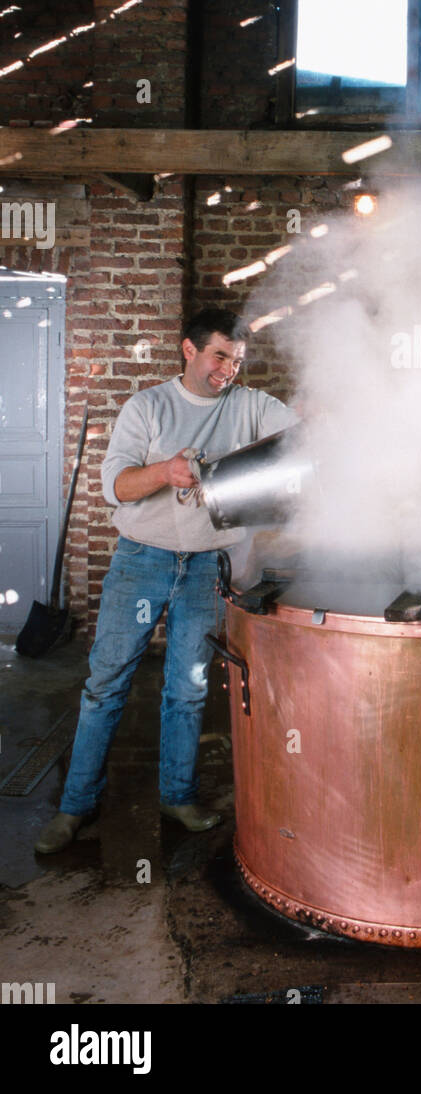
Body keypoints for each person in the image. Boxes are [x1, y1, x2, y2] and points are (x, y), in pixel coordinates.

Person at [35, 307, 298, 854]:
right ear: (189, 350)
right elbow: (115, 487)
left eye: (238, 360)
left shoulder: (251, 406)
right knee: (106, 685)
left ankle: (177, 796)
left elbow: (304, 442)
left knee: (189, 688)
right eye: (220, 356)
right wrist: (164, 472)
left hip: (209, 566)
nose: (229, 370)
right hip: (142, 560)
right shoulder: (149, 406)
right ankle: (75, 807)